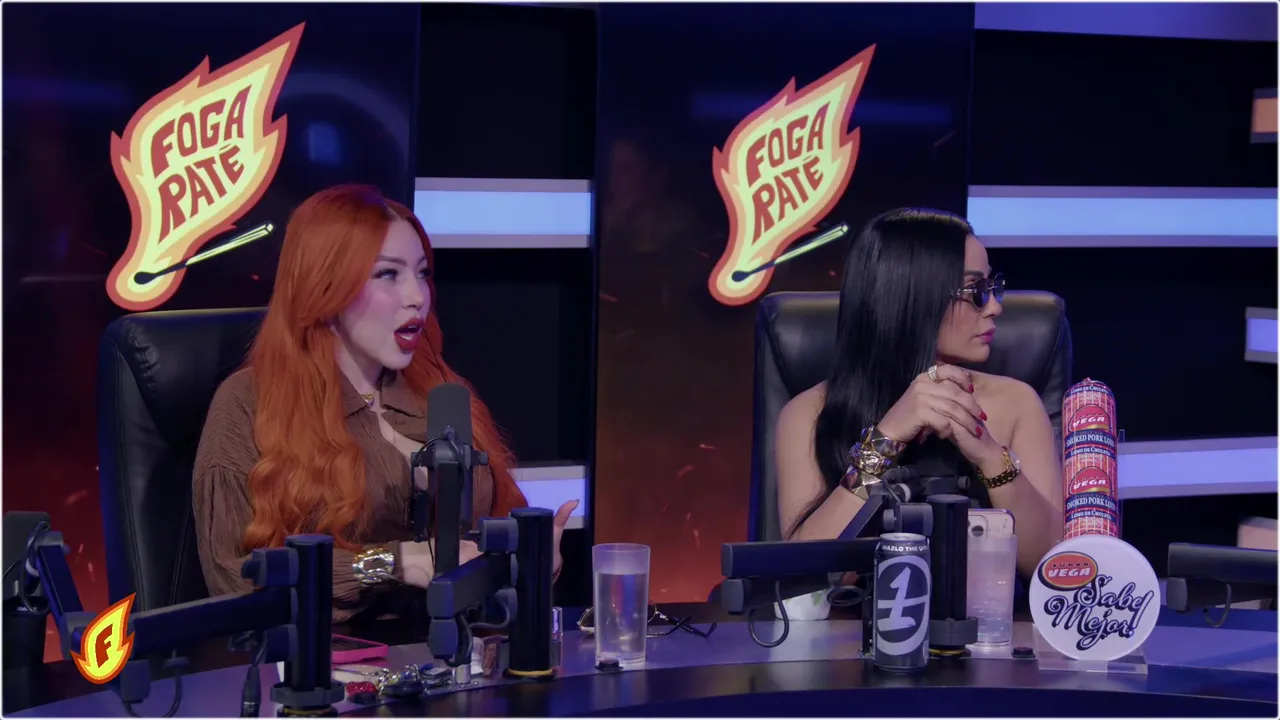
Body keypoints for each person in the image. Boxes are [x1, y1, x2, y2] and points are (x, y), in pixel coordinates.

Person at [194, 184, 578, 622]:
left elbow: (479, 551)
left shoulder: (439, 391)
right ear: (324, 285)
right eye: (388, 274)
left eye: (422, 273)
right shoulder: (248, 403)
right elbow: (234, 579)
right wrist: (388, 563)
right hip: (331, 657)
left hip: (455, 649)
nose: (417, 296)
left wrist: (530, 560)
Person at [774, 208, 1061, 577]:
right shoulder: (809, 413)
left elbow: (1053, 565)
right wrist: (885, 440)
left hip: (987, 613)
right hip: (857, 616)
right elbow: (803, 579)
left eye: (993, 287)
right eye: (976, 291)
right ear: (913, 299)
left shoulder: (1016, 402)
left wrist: (991, 456)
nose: (995, 307)